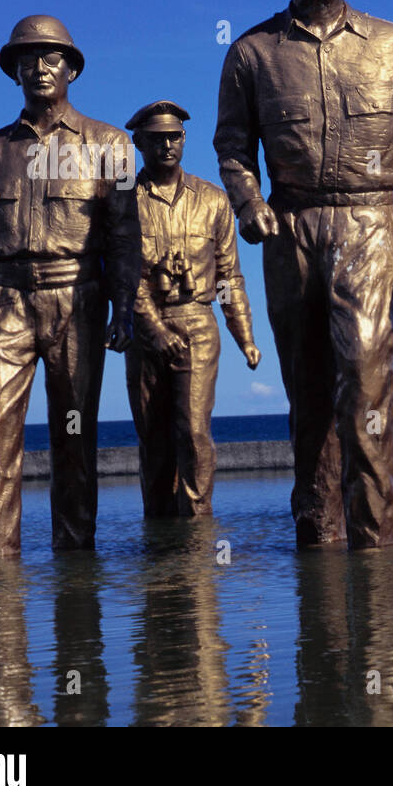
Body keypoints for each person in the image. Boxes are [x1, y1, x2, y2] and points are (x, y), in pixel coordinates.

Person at [213, 0, 393, 548]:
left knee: (367, 389)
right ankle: (319, 562)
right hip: (288, 232)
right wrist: (248, 204)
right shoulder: (251, 53)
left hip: (369, 226)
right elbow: (232, 145)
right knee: (307, 402)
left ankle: (375, 560)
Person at [0, 15, 138, 556]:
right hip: (5, 301)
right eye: (27, 60)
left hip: (78, 298)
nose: (39, 68)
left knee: (74, 436)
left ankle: (76, 569)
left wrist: (125, 307)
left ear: (72, 69)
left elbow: (125, 235)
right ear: (14, 74)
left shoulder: (111, 145)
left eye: (51, 58)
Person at [124, 100, 261, 517]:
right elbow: (122, 276)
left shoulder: (214, 201)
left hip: (198, 324)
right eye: (157, 139)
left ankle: (197, 527)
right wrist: (153, 330)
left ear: (184, 139)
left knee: (194, 430)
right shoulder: (121, 201)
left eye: (175, 137)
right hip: (144, 329)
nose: (167, 145)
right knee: (153, 437)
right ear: (138, 143)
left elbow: (228, 278)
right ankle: (159, 535)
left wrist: (246, 338)